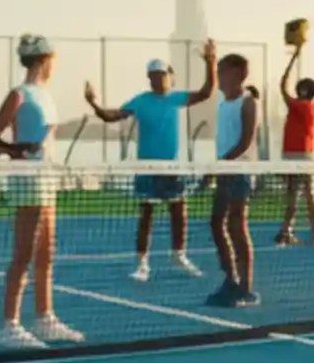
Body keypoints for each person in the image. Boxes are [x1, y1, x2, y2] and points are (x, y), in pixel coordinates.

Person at [85, 41, 216, 282]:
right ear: (149, 79)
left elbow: (207, 92)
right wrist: (93, 103)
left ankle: (179, 255)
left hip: (173, 168)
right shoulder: (140, 101)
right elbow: (109, 116)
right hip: (147, 167)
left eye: (162, 75)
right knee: (146, 215)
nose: (158, 79)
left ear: (170, 77)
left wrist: (211, 62)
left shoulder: (178, 98)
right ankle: (143, 263)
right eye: (154, 76)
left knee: (179, 212)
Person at [0, 34, 84, 349]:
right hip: (27, 182)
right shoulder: (19, 95)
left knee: (46, 254)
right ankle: (9, 325)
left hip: (47, 181)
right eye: (52, 59)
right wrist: (16, 149)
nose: (54, 65)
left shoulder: (46, 95)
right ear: (43, 60)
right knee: (24, 254)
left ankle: (45, 318)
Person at [204, 53, 260, 308]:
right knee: (217, 223)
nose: (219, 76)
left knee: (237, 226)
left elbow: (246, 141)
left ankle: (245, 288)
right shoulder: (221, 101)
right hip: (225, 170)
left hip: (240, 171)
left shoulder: (249, 103)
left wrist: (220, 165)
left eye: (222, 71)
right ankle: (231, 279)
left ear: (238, 74)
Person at [277, 44, 314, 245]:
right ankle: (313, 231)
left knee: (294, 195)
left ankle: (287, 230)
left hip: (297, 156)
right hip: (303, 154)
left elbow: (282, 86)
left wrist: (293, 58)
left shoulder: (301, 106)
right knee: (307, 193)